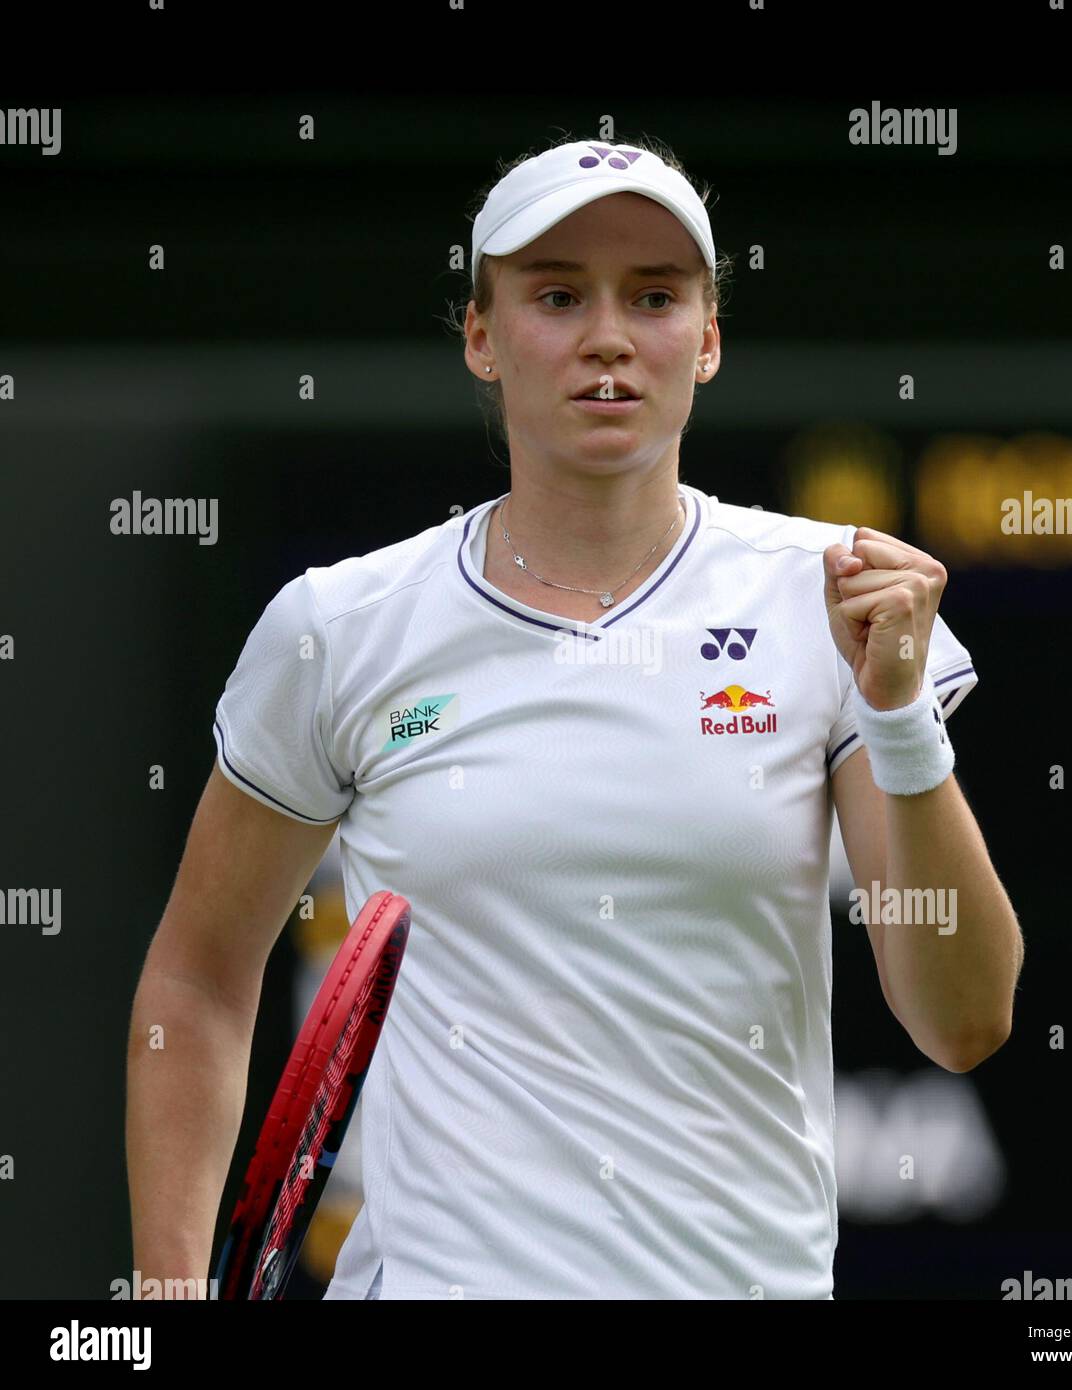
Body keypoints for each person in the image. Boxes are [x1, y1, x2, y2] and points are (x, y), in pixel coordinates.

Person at [127, 134, 1021, 1300]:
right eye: (557, 295)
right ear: (482, 337)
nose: (608, 335)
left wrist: (899, 717)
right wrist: (167, 1291)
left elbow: (963, 1022)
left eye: (654, 297)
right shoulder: (338, 626)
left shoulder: (831, 599)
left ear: (705, 341)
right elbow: (198, 974)